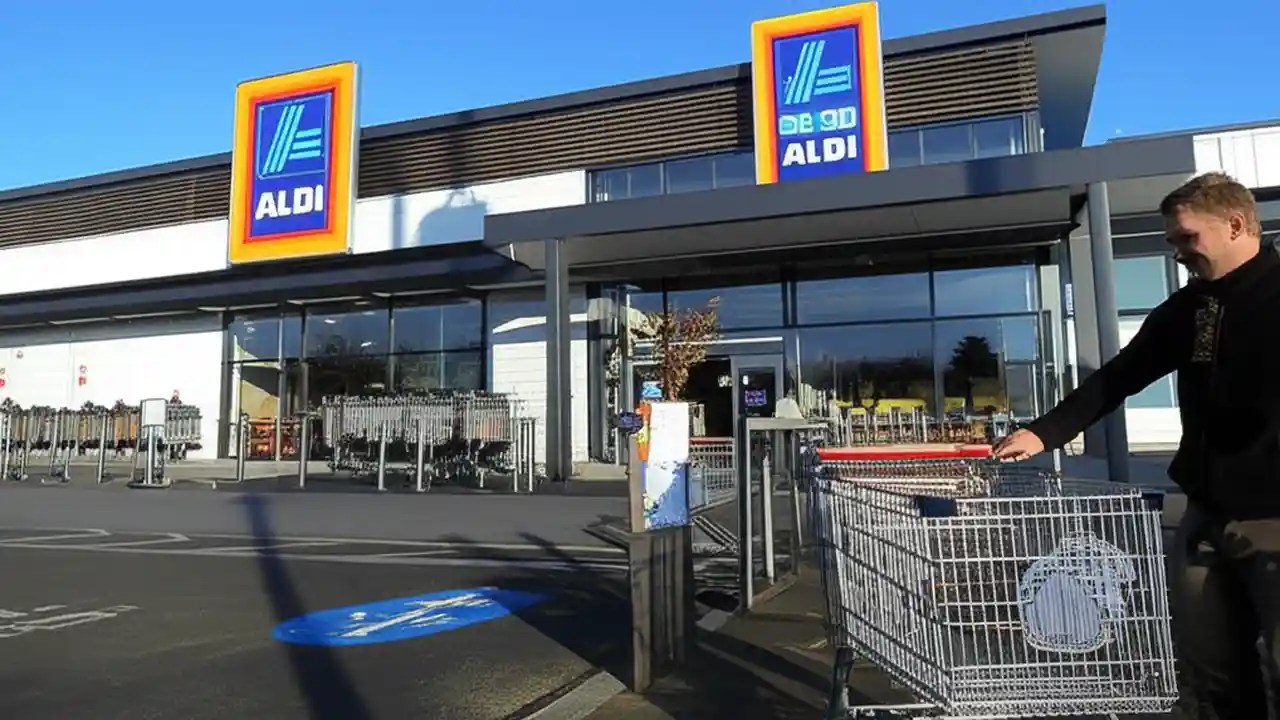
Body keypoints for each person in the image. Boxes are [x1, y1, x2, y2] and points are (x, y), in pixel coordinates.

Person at [994, 172, 1279, 719]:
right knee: (1212, 671)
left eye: (1186, 238)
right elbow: (1119, 376)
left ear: (1237, 225)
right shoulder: (1188, 310)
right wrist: (1044, 431)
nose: (1176, 252)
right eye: (1172, 241)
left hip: (1275, 514)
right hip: (1206, 515)